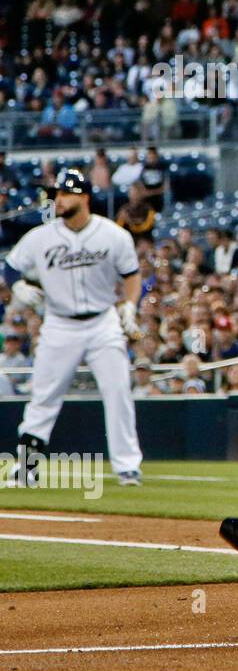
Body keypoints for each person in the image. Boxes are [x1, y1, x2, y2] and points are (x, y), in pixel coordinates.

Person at [4, 169, 144, 487]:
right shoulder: (42, 237)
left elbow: (131, 275)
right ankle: (27, 467)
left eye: (65, 194)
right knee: (43, 396)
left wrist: (131, 305)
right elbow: (10, 267)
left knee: (118, 390)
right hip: (59, 323)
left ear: (84, 197)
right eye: (57, 195)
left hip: (102, 321)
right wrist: (18, 287)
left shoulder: (112, 234)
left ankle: (127, 467)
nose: (58, 200)